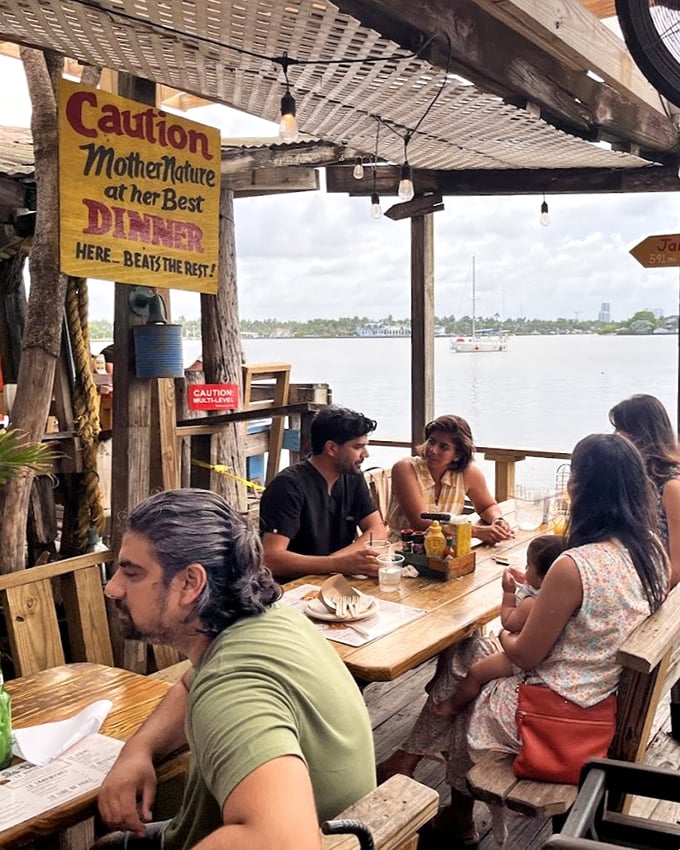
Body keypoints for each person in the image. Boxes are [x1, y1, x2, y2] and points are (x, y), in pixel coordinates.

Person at [379, 434, 668, 845]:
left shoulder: (574, 565)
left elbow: (526, 656)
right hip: (597, 689)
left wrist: (503, 631)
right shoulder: (650, 550)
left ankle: (449, 806)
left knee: (469, 677)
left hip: (552, 712)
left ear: (581, 487)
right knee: (467, 653)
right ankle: (412, 761)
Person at [94, 489, 376, 850]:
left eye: (131, 572)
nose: (112, 588)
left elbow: (284, 842)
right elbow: (189, 685)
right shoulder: (272, 619)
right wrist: (138, 749)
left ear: (190, 584)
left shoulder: (231, 687)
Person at [433, 534, 566, 717]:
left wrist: (508, 593)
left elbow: (509, 622)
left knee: (476, 673)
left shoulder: (532, 603)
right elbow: (537, 584)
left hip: (523, 659)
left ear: (543, 578)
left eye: (528, 566)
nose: (525, 570)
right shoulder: (560, 595)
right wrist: (527, 579)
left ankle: (454, 705)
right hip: (548, 655)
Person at [259, 405, 386, 579]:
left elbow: (377, 529)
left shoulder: (352, 477)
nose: (366, 454)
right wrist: (337, 564)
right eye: (358, 447)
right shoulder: (287, 486)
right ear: (331, 448)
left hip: (335, 579)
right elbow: (271, 558)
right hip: (293, 586)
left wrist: (339, 562)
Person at [385, 415, 514, 544]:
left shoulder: (468, 474)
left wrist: (497, 520)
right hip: (404, 548)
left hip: (446, 549)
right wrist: (475, 531)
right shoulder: (405, 468)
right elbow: (420, 522)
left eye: (443, 447)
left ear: (457, 455)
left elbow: (486, 506)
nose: (433, 450)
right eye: (431, 441)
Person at [609, 394, 680, 587]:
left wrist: (644, 595)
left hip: (655, 586)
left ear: (639, 434)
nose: (616, 436)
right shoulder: (633, 475)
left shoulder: (671, 486)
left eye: (620, 429)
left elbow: (677, 566)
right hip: (627, 575)